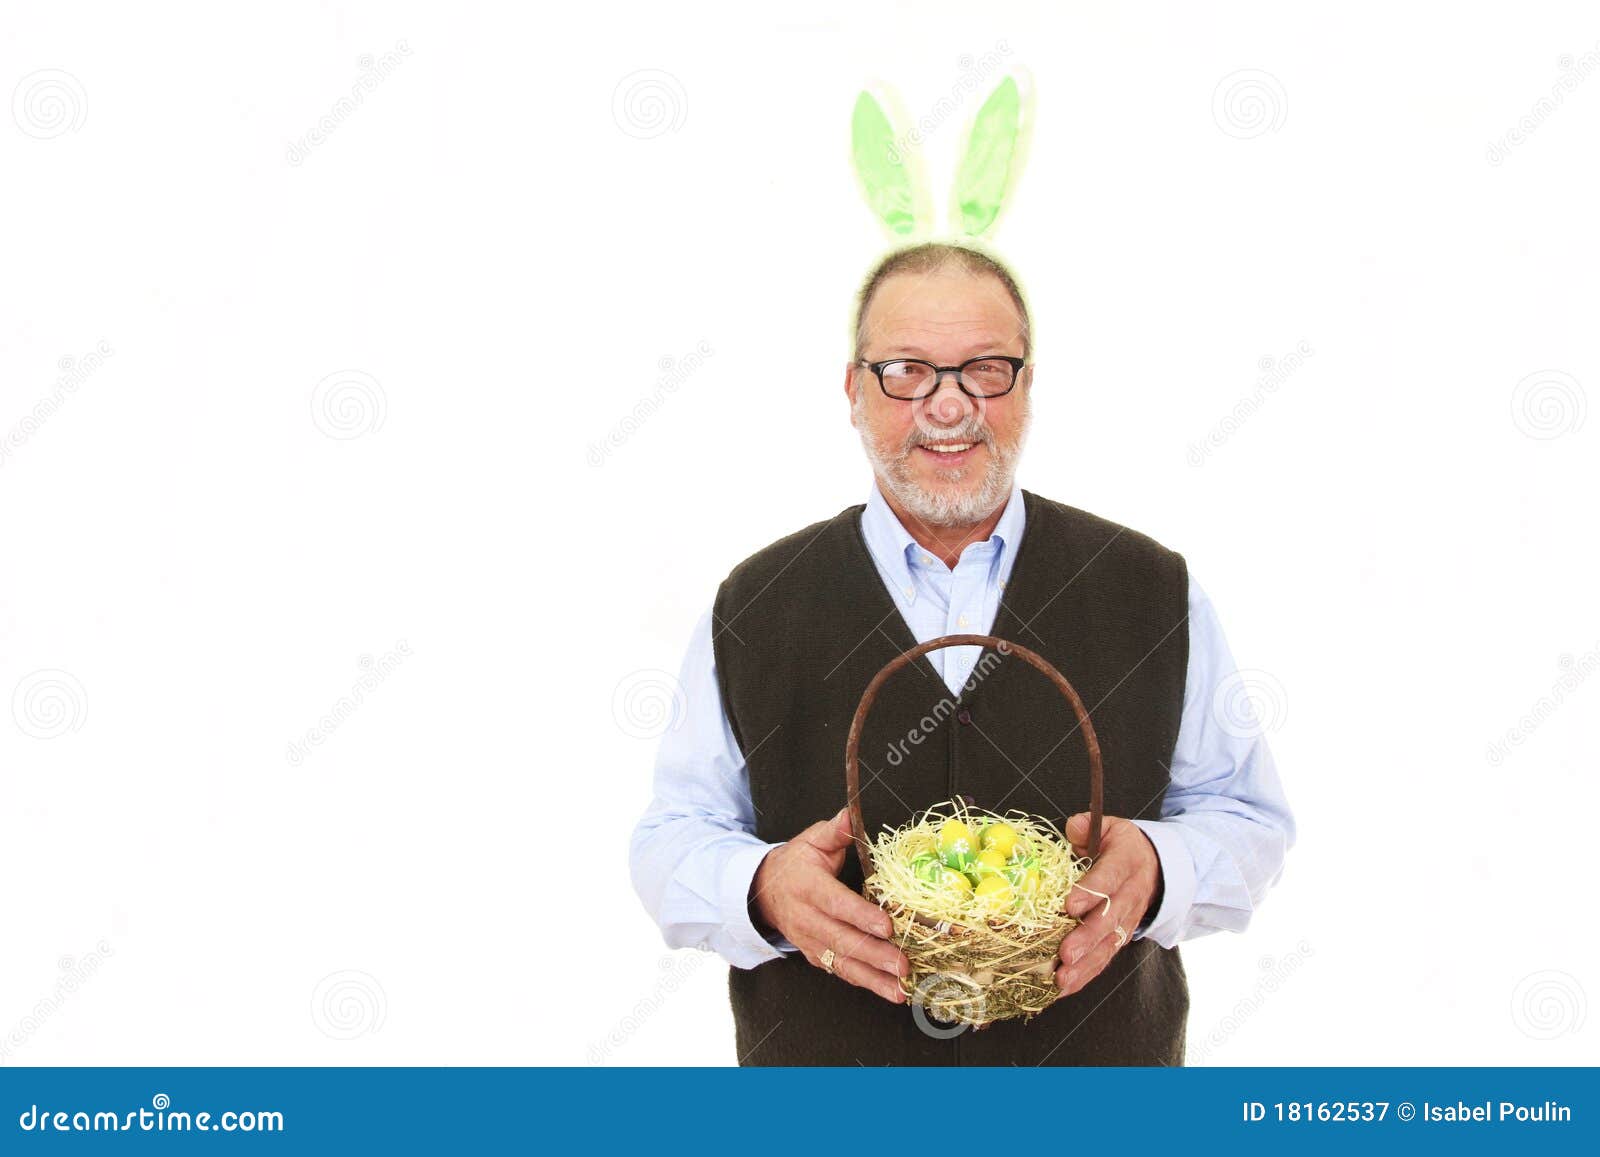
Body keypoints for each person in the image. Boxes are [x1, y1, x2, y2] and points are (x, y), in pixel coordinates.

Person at [629, 242, 1296, 1065]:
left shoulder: (1152, 588)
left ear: (1027, 387)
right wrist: (761, 887)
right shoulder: (756, 601)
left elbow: (1250, 819)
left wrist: (1162, 866)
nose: (948, 405)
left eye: (985, 369)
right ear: (853, 391)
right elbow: (672, 835)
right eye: (906, 371)